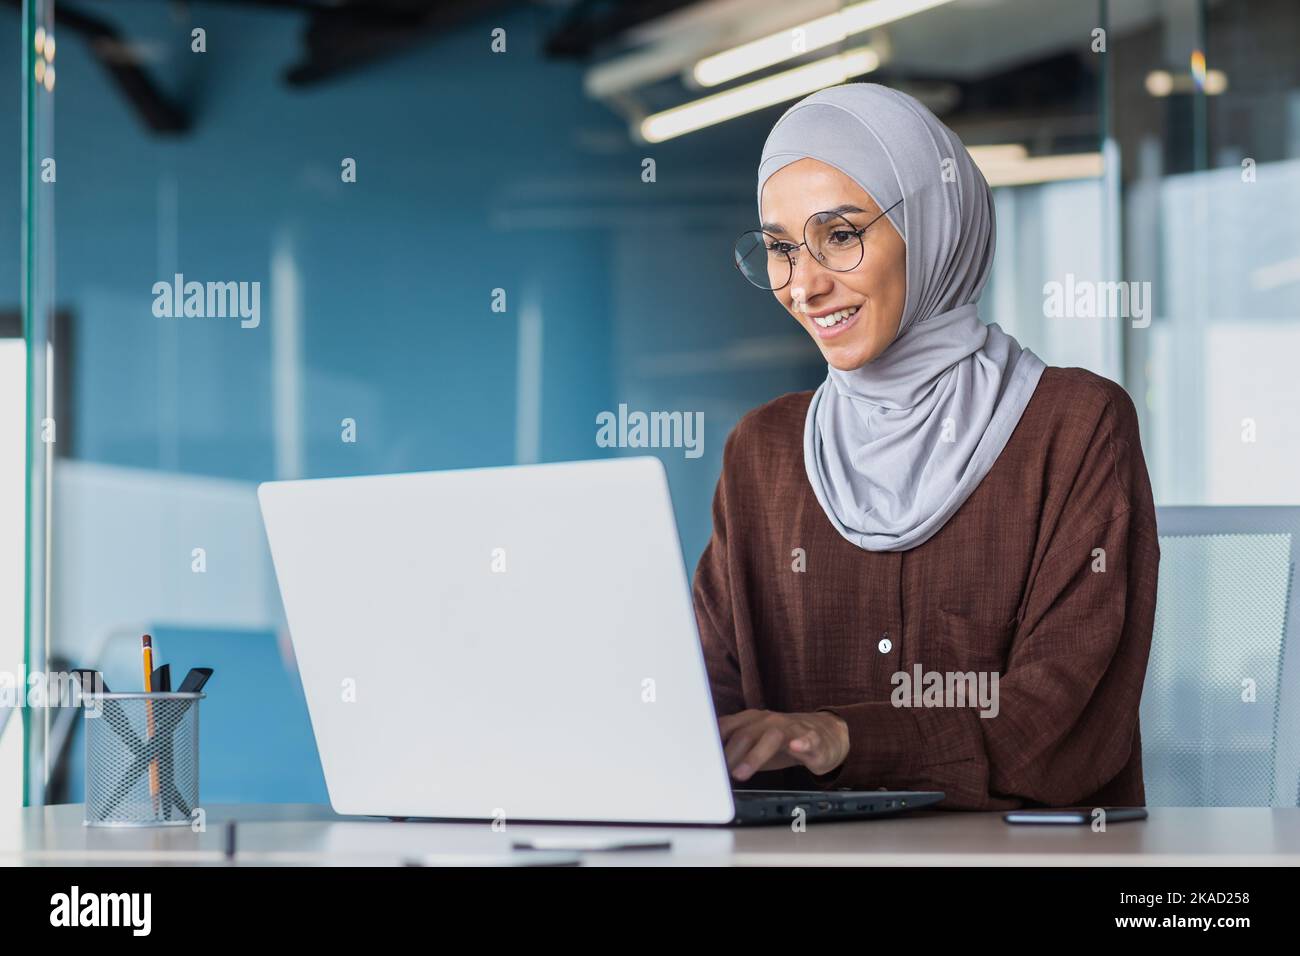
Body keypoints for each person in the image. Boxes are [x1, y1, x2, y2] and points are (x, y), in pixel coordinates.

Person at [694, 82, 1160, 810]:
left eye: (840, 237)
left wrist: (844, 736)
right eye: (781, 249)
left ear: (933, 226)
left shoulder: (1073, 425)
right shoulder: (762, 452)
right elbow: (707, 703)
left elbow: (1062, 733)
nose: (803, 285)